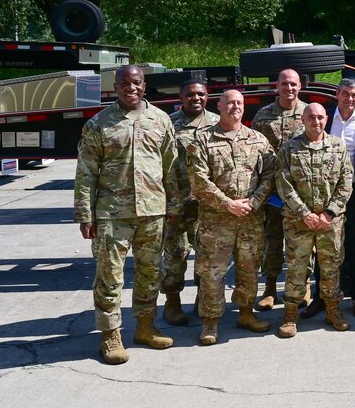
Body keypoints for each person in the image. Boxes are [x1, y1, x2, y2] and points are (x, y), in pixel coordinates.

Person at [75, 65, 177, 364]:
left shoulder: (160, 120)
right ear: (115, 87)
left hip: (152, 211)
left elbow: (171, 167)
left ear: (144, 85)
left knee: (150, 272)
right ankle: (110, 336)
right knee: (110, 276)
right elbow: (85, 172)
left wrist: (173, 205)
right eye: (124, 83)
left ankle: (145, 327)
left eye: (136, 82)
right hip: (112, 214)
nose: (130, 88)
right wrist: (85, 214)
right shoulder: (99, 123)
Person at [186, 89, 278, 346]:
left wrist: (254, 201)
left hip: (250, 219)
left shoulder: (257, 139)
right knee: (212, 273)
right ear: (219, 106)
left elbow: (271, 174)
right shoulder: (202, 140)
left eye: (239, 103)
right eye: (230, 102)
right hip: (216, 222)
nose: (235, 106)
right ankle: (210, 322)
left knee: (249, 270)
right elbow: (198, 181)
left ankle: (246, 313)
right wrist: (228, 204)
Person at [275, 104, 354, 338]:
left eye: (320, 117)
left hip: (330, 222)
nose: (316, 122)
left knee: (331, 267)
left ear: (326, 119)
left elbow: (346, 182)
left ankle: (333, 309)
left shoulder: (338, 146)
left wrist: (329, 212)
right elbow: (283, 184)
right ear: (303, 119)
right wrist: (304, 214)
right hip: (298, 222)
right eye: (311, 117)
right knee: (297, 268)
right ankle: (290, 313)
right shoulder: (289, 148)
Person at [310, 78, 355, 318]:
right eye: (346, 93)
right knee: (324, 246)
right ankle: (320, 297)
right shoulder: (323, 118)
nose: (350, 99)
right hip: (325, 193)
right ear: (337, 94)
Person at [162, 80, 218, 326]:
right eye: (190, 94)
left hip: (207, 205)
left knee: (206, 255)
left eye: (200, 94)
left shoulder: (217, 123)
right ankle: (172, 303)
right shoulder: (167, 124)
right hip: (177, 204)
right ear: (181, 97)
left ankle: (201, 299)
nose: (196, 98)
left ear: (207, 96)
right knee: (175, 255)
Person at [251, 68, 306, 310]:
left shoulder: (309, 113)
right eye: (285, 83)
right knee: (272, 240)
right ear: (277, 86)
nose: (289, 88)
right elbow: (252, 150)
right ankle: (270, 288)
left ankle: (303, 286)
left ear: (300, 86)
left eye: (293, 84)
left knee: (301, 242)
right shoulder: (263, 115)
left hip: (300, 190)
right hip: (271, 192)